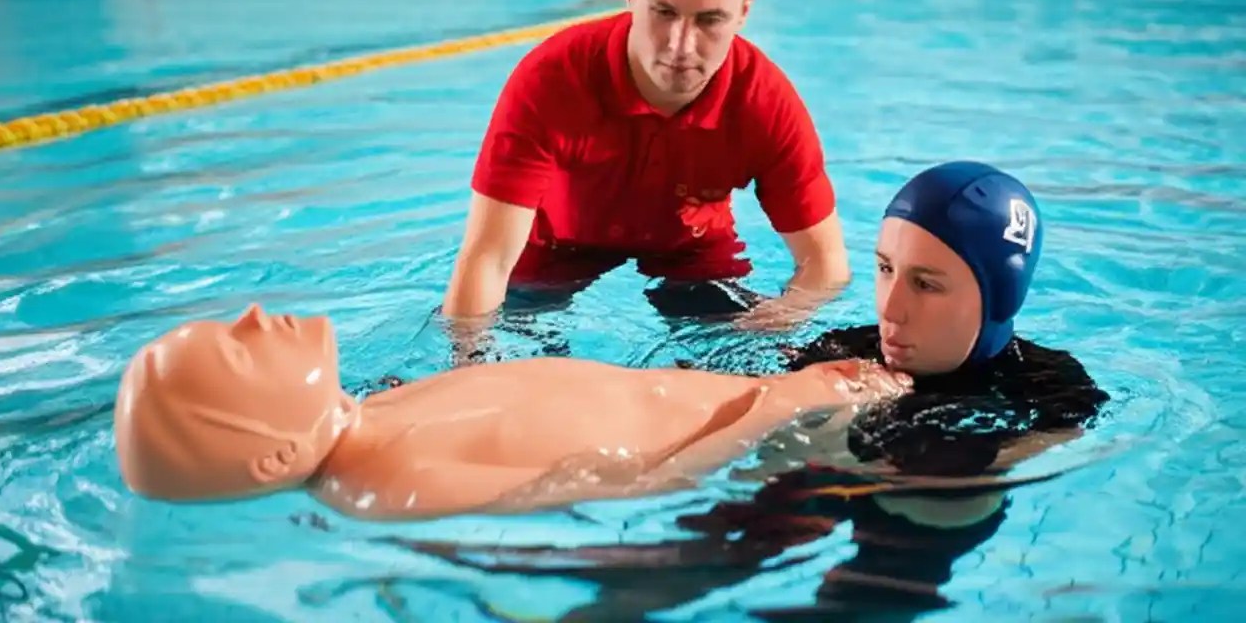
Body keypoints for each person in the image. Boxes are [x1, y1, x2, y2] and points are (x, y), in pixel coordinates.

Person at [380, 161, 1112, 620]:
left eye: (926, 284)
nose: (890, 308)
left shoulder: (1052, 393)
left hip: (912, 527)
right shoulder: (846, 349)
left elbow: (1013, 476)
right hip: (814, 478)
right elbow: (734, 415)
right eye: (885, 269)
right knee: (707, 546)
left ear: (999, 294)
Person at [441, 0, 848, 356]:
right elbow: (488, 258)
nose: (680, 45)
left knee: (750, 367)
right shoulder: (552, 81)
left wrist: (770, 325)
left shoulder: (765, 103)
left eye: (710, 20)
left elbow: (825, 264)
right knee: (497, 350)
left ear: (744, 10)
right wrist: (467, 366)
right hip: (555, 248)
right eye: (664, 12)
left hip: (689, 252)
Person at [112, 303, 912, 521]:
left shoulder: (373, 414)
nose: (253, 315)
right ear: (272, 460)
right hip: (793, 434)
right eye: (237, 351)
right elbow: (637, 484)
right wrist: (790, 402)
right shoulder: (395, 483)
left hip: (762, 396)